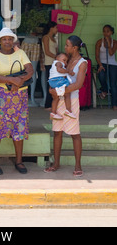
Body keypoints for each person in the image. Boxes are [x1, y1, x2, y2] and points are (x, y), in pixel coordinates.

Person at [0, 27, 34, 175]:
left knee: (19, 126)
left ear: (13, 41)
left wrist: (18, 81)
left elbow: (30, 70)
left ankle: (19, 161)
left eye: (9, 39)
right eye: (4, 39)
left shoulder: (20, 53)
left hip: (19, 96)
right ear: (0, 41)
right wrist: (12, 80)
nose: (7, 41)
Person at [44, 36, 87, 177]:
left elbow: (78, 85)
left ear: (75, 48)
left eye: (68, 45)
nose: (65, 47)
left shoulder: (82, 63)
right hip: (59, 99)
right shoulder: (64, 60)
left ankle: (78, 165)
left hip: (71, 100)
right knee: (57, 132)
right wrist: (54, 90)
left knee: (75, 134)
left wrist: (58, 91)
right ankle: (56, 163)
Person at [95, 24, 117, 109]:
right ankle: (104, 89)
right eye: (104, 31)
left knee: (113, 84)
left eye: (108, 31)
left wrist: (108, 42)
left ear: (111, 32)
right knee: (101, 75)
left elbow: (111, 53)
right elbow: (97, 56)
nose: (105, 33)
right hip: (102, 63)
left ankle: (114, 104)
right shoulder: (99, 42)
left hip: (112, 64)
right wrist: (100, 65)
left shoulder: (115, 42)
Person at [48, 52, 76, 120]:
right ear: (57, 58)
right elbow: (59, 70)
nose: (65, 62)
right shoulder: (58, 63)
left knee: (55, 98)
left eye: (66, 61)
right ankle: (68, 110)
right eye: (64, 60)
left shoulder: (56, 63)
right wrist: (68, 71)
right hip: (58, 81)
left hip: (53, 82)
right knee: (67, 94)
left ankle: (53, 113)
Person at [42, 21, 58, 109]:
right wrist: (56, 57)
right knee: (51, 83)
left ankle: (53, 102)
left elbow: (56, 50)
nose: (57, 30)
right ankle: (48, 104)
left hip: (55, 63)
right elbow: (47, 52)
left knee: (55, 82)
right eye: (56, 27)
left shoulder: (54, 38)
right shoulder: (46, 37)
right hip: (49, 62)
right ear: (51, 28)